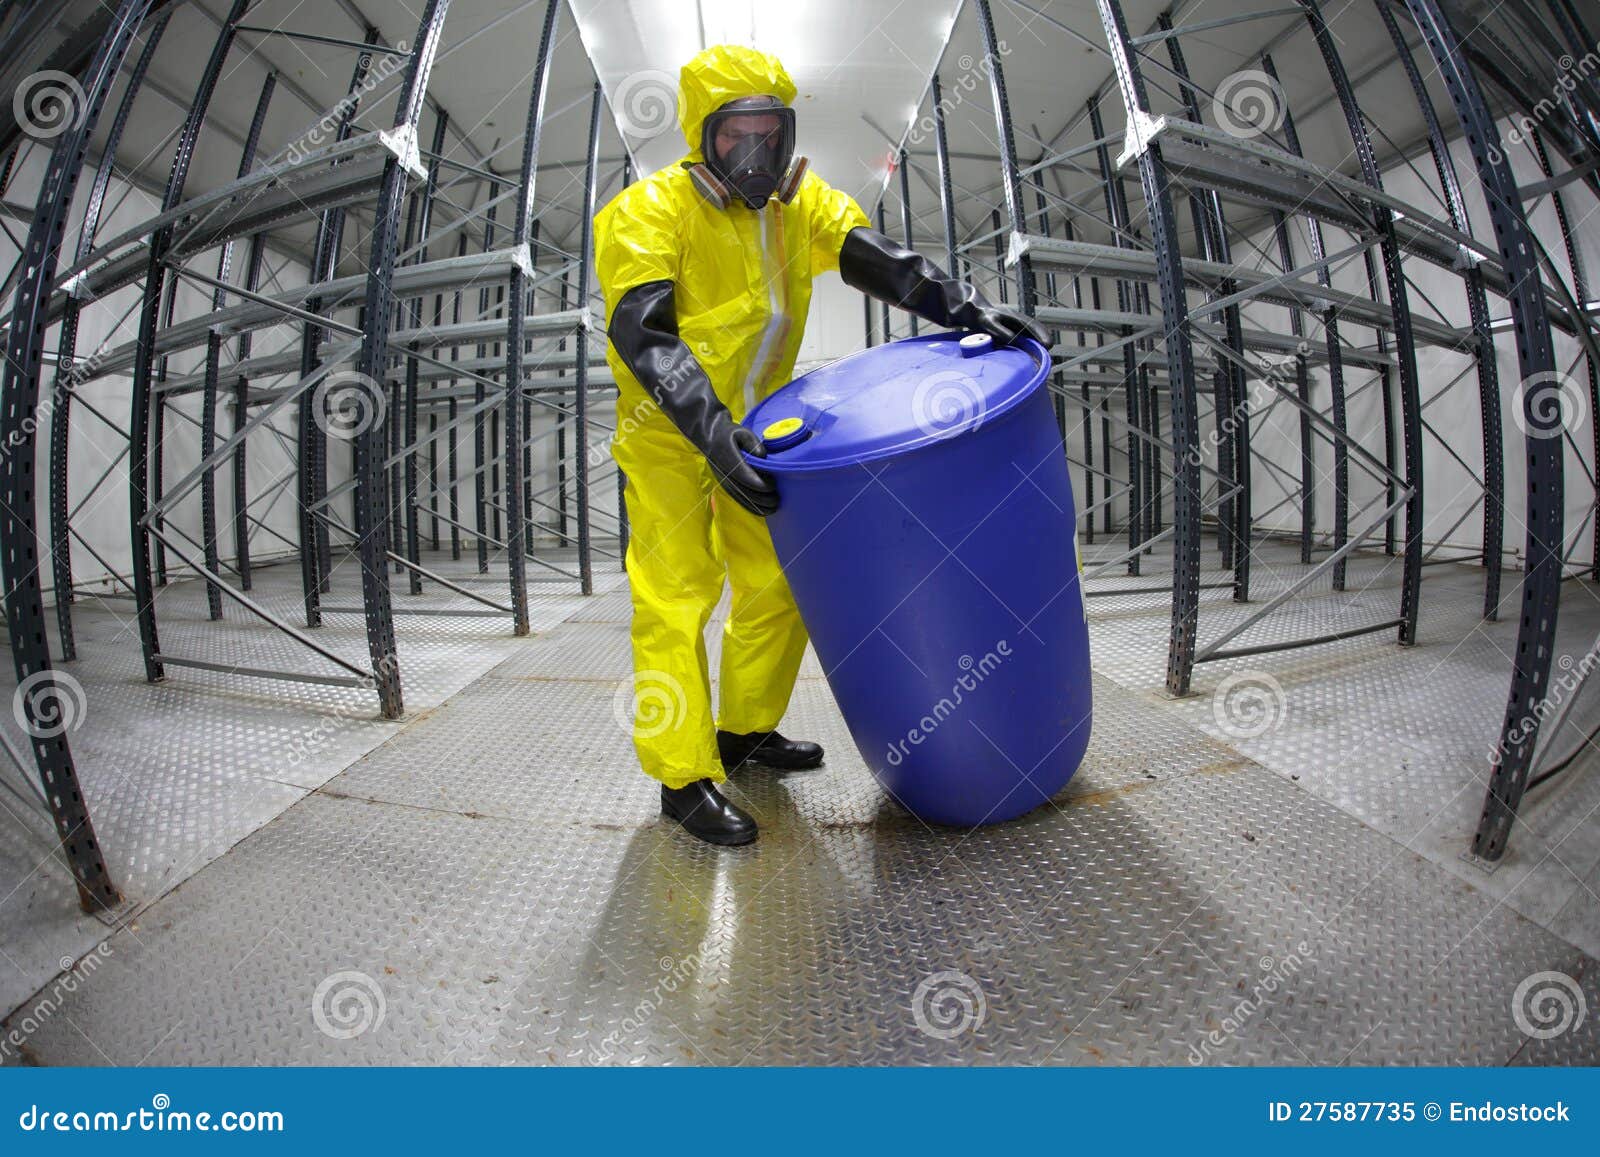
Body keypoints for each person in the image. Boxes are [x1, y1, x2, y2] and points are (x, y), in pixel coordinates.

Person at [594, 44, 1043, 846]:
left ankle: (744, 733)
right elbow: (646, 336)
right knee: (676, 596)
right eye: (738, 135)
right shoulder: (650, 211)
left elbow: (883, 263)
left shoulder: (800, 209)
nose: (758, 151)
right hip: (669, 436)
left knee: (774, 581)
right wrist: (710, 436)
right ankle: (683, 775)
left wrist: (967, 309)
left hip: (761, 431)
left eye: (773, 130)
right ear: (703, 134)